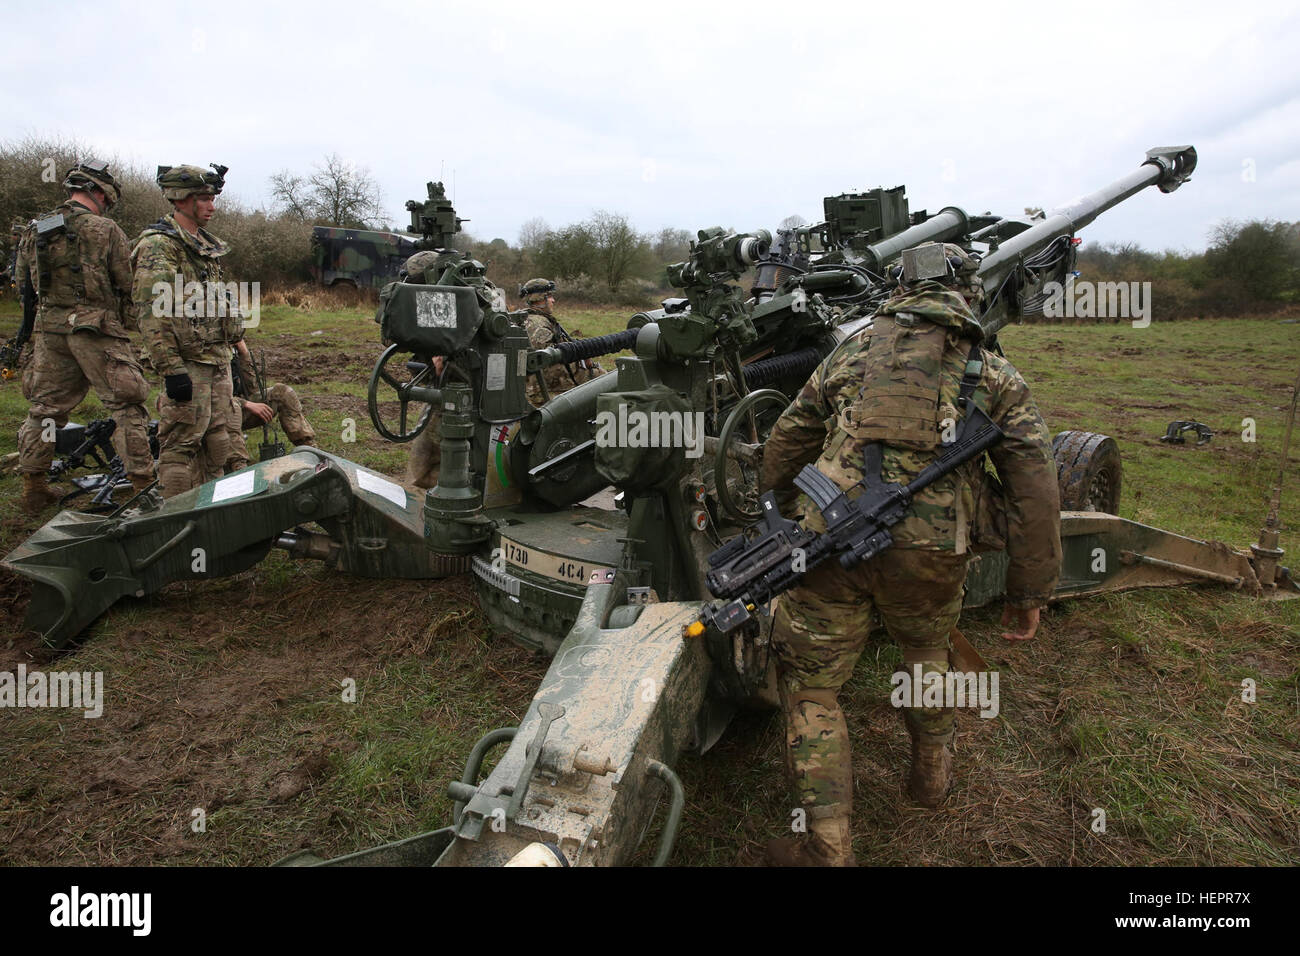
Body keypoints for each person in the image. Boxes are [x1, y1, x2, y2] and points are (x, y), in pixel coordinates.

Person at [759, 242, 1062, 866]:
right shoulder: (994, 373)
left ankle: (827, 847)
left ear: (898, 288)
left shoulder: (850, 351)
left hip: (825, 548)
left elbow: (790, 435)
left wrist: (771, 499)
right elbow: (1035, 489)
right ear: (966, 290)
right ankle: (929, 781)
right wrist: (1027, 594)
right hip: (932, 555)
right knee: (925, 657)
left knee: (813, 688)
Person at [14, 160, 153, 512]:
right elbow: (128, 285)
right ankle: (143, 484)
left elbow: (23, 285)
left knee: (45, 410)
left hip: (51, 331)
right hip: (97, 330)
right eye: (108, 197)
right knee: (126, 405)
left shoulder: (38, 228)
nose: (108, 203)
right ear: (99, 192)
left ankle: (34, 486)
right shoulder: (105, 229)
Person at [132, 163, 243, 498]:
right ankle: (174, 518)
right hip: (188, 363)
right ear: (181, 199)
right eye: (203, 198)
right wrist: (172, 370)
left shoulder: (205, 246)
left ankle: (212, 508)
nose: (211, 205)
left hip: (215, 359)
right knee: (180, 443)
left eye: (212, 197)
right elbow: (152, 312)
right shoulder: (160, 246)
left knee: (219, 437)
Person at [221, 338, 316, 472]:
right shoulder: (203, 354)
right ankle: (238, 470)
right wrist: (245, 403)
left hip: (236, 407)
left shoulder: (229, 351)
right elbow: (212, 399)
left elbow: (252, 389)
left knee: (283, 393)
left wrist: (244, 354)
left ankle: (311, 452)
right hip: (212, 416)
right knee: (232, 408)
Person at [518, 277, 603, 406]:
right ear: (540, 299)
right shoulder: (537, 325)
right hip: (545, 388)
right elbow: (547, 361)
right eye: (550, 296)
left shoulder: (535, 319)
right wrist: (580, 368)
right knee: (606, 382)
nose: (553, 300)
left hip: (547, 383)